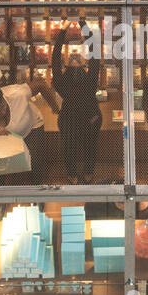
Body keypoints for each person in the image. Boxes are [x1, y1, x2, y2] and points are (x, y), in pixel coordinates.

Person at [52, 21, 102, 184]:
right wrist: (83, 25)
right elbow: (94, 53)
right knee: (90, 146)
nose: (74, 59)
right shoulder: (90, 81)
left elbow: (55, 59)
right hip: (90, 117)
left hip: (70, 119)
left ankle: (73, 174)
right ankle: (87, 173)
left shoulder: (61, 85)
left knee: (70, 147)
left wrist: (62, 32)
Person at [0, 76, 57, 181]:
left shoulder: (17, 93)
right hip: (9, 134)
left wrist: (55, 108)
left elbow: (40, 84)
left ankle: (37, 188)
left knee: (35, 163)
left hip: (32, 127)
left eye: (3, 107)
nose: (2, 112)